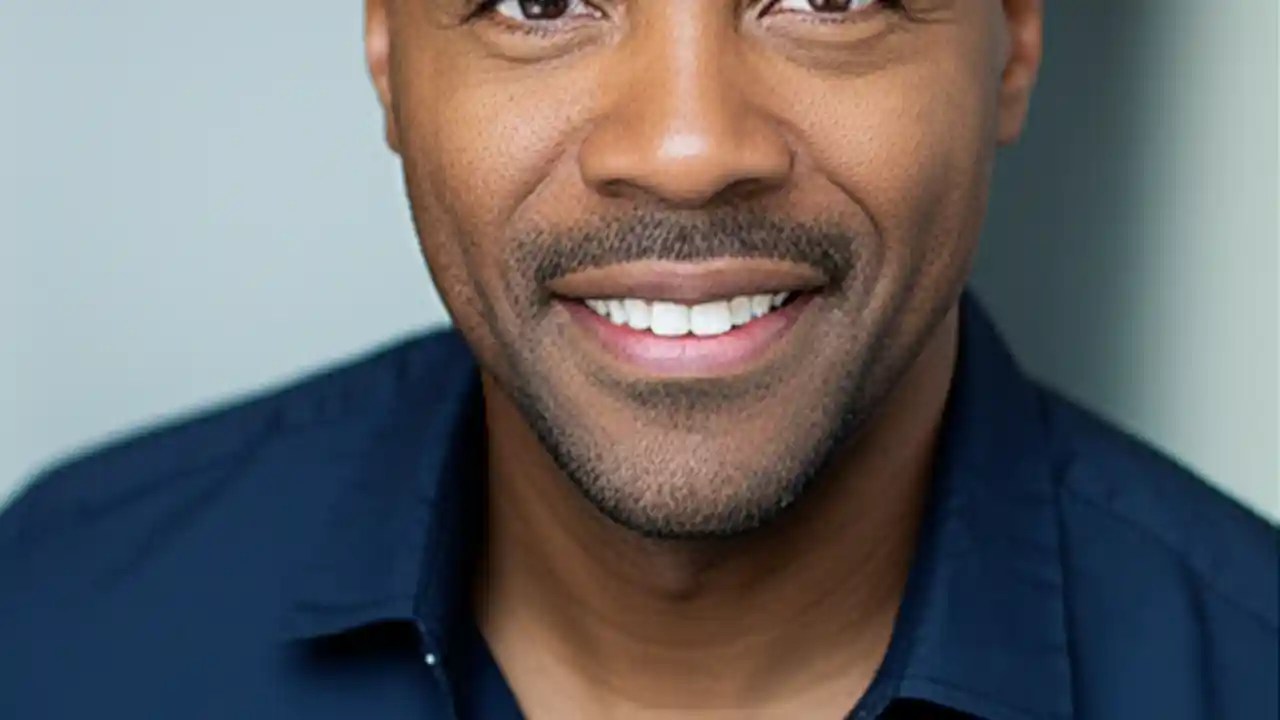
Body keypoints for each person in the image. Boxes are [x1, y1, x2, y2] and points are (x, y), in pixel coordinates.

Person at [2, 1, 1276, 717]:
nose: (683, 145)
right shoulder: (56, 631)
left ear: (1011, 43)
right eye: (542, 0)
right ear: (386, 51)